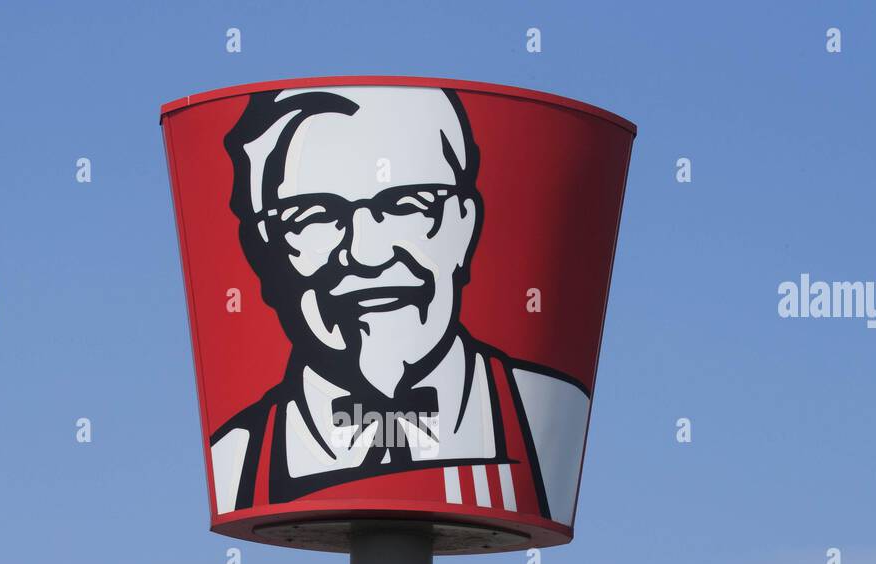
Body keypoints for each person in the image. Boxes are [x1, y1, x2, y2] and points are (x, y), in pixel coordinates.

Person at [211, 85, 591, 526]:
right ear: (265, 251)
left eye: (407, 205)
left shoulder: (548, 415)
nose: (368, 254)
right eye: (314, 215)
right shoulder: (235, 458)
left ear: (464, 227)